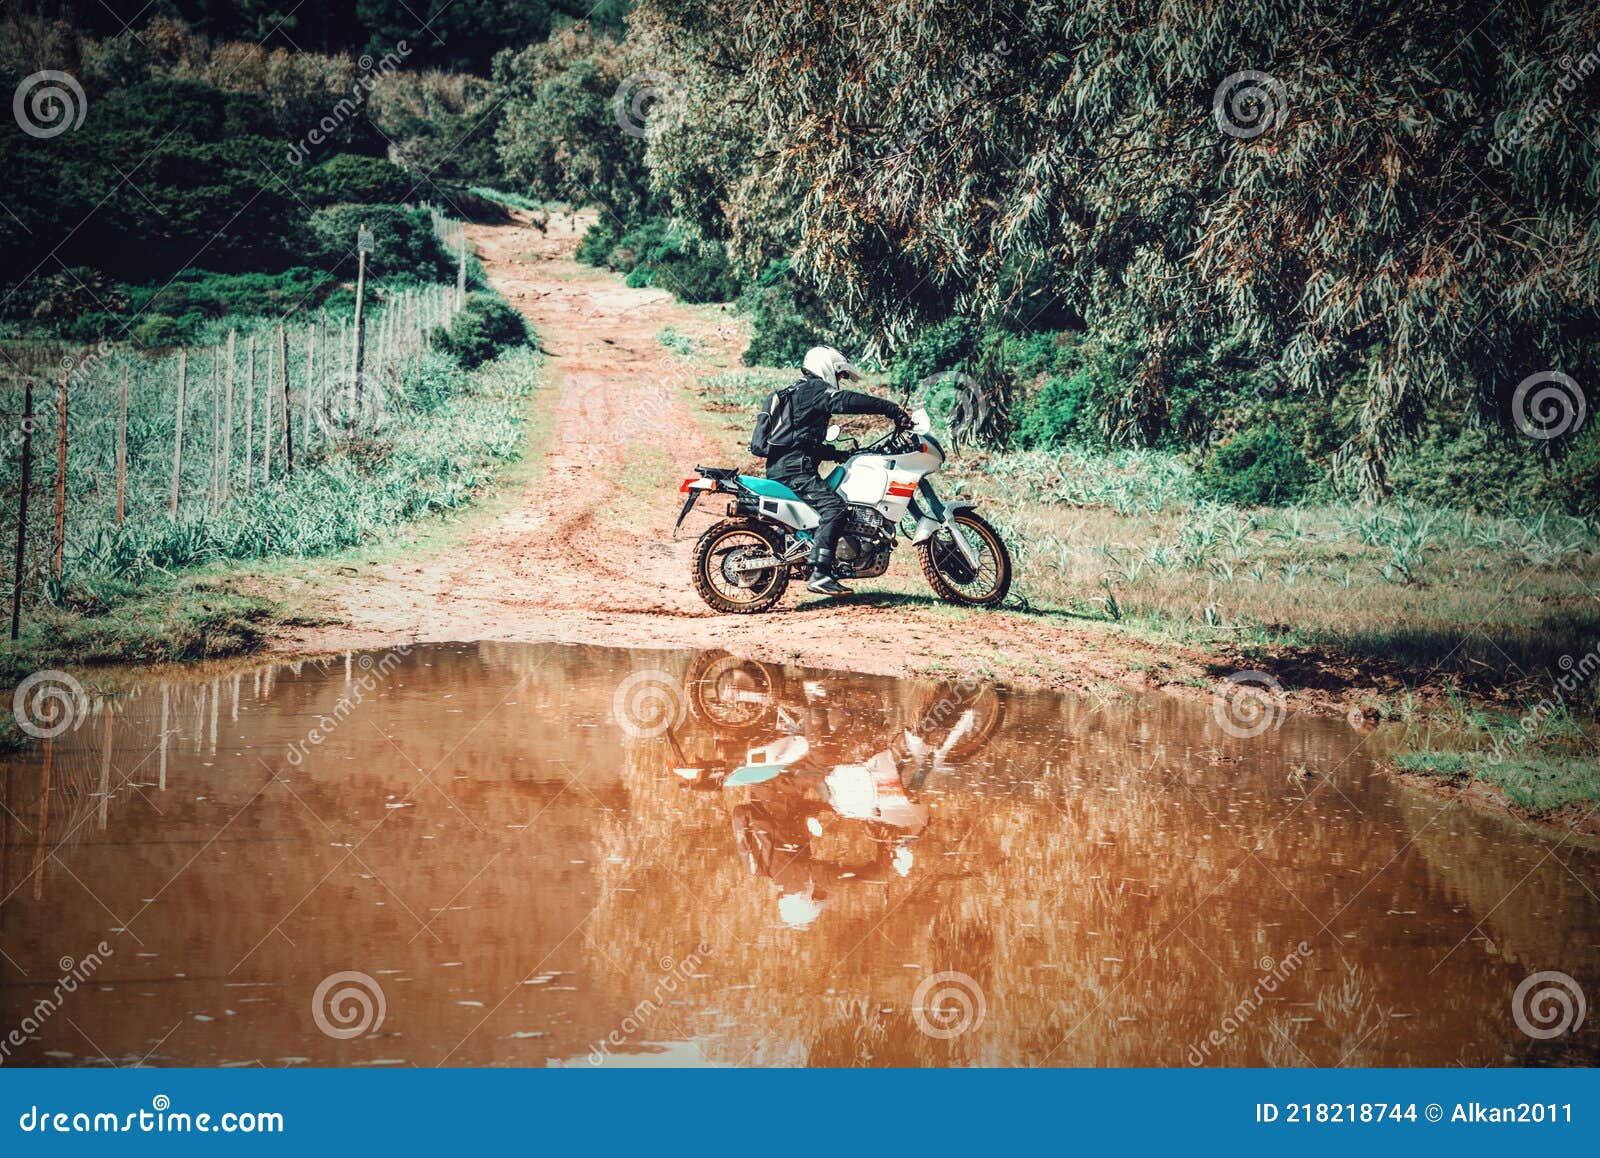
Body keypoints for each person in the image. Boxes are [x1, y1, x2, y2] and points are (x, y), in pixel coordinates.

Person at [767, 346, 910, 594]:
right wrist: (891, 409)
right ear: (827, 367)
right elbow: (845, 401)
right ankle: (820, 574)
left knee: (827, 507)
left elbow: (801, 441)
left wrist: (837, 454)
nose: (841, 382)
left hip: (786, 466)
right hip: (795, 471)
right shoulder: (814, 390)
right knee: (834, 508)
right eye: (841, 375)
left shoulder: (798, 392)